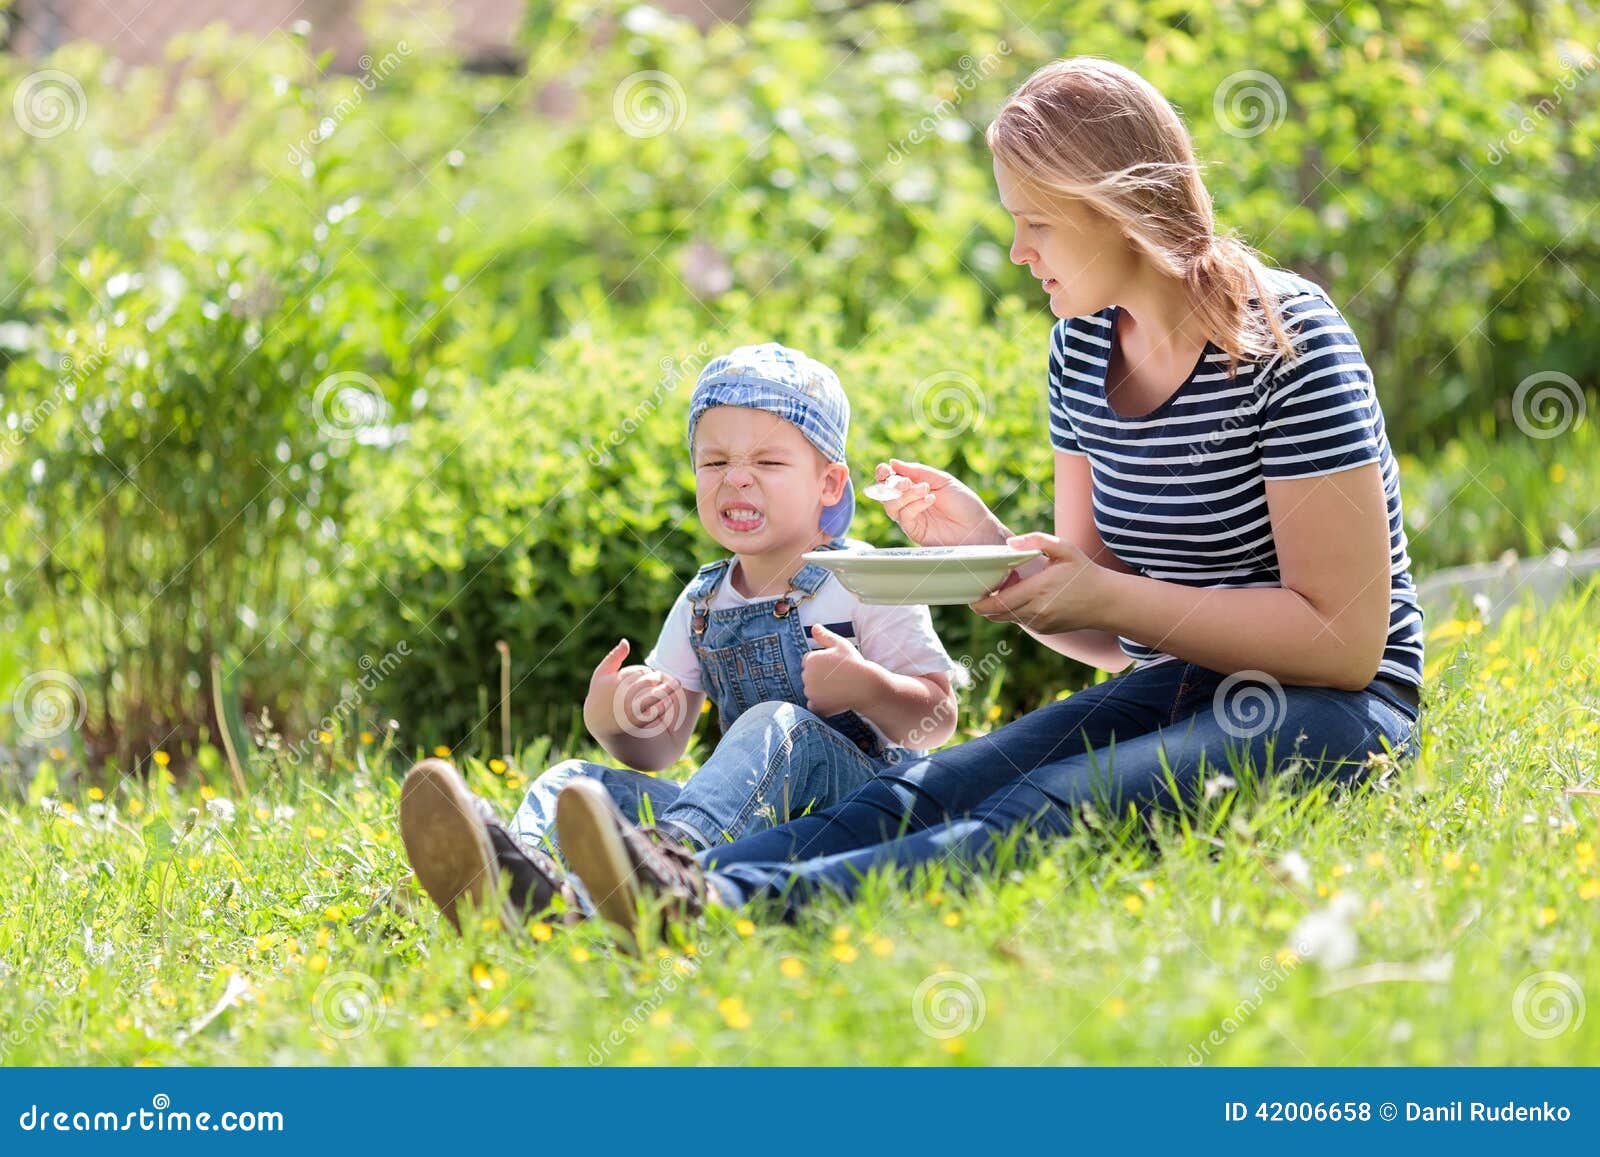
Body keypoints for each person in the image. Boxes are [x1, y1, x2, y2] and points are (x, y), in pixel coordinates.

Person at [551, 57, 1425, 941]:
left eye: (1036, 221)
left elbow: (1343, 642)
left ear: (1115, 207)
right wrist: (994, 554)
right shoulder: (1082, 351)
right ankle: (579, 900)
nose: (1018, 251)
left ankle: (708, 910)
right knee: (931, 787)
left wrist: (1106, 594)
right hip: (1177, 686)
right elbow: (1109, 627)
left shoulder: (1287, 338)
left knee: (1045, 804)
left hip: (1336, 711)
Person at [398, 343, 960, 932]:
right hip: (748, 819)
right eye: (714, 463)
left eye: (768, 463)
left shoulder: (866, 579)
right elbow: (662, 751)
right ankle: (511, 877)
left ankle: (659, 864)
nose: (737, 479)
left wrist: (866, 687)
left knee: (780, 722)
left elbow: (939, 716)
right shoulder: (704, 599)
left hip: (863, 813)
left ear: (829, 483)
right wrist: (615, 716)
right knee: (571, 780)